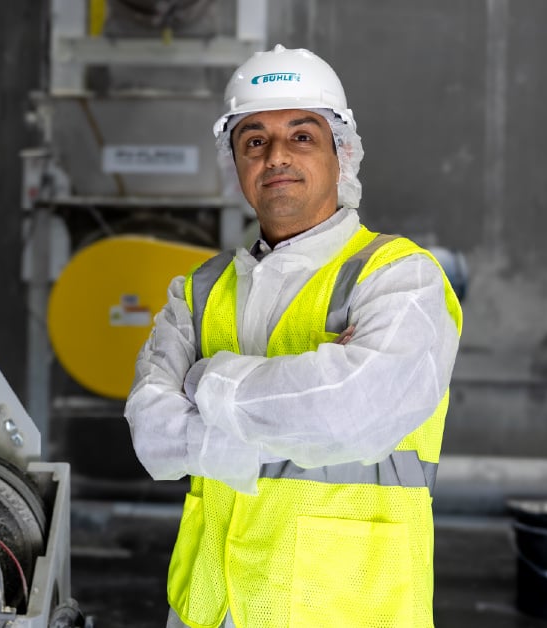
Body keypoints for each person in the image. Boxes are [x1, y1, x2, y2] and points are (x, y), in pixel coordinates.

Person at [124, 44, 463, 628]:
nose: (276, 155)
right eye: (254, 141)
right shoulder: (200, 290)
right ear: (237, 165)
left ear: (342, 154)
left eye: (301, 136)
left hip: (343, 610)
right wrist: (305, 401)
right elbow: (154, 438)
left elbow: (348, 414)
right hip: (211, 611)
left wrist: (207, 378)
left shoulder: (399, 278)